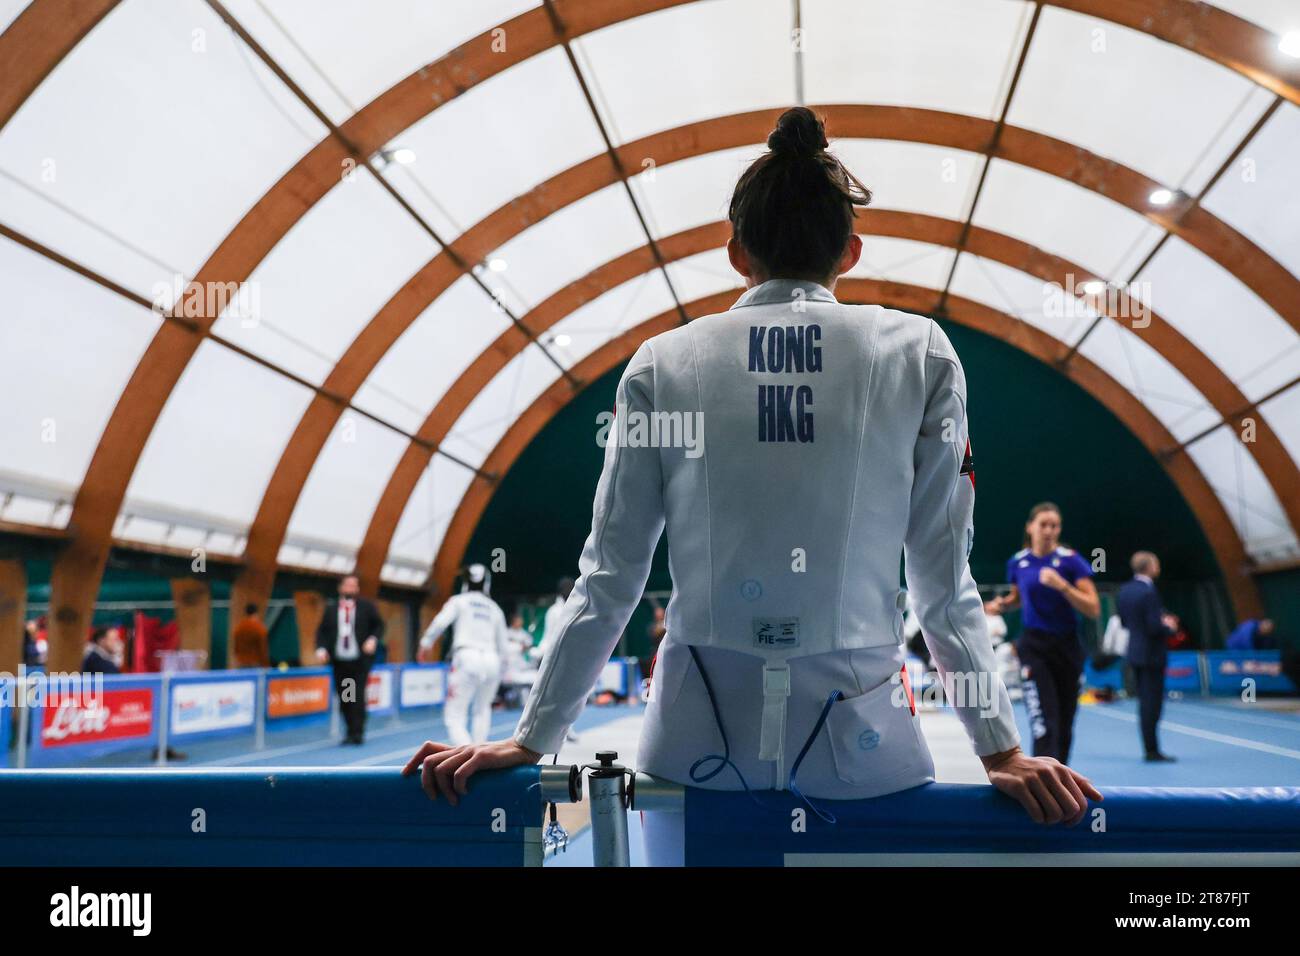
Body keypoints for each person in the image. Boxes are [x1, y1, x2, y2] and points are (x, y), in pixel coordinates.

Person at [404, 108, 1101, 861]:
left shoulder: (663, 364)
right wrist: (1000, 747)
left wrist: (531, 737)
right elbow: (941, 580)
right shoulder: (918, 352)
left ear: (736, 253)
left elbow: (609, 578)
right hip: (865, 756)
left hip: (693, 752)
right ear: (850, 251)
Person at [984, 502, 1100, 764]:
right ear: (1030, 527)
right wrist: (1001, 605)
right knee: (1044, 721)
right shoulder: (1018, 562)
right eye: (1043, 525)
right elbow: (1018, 597)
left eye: (1054, 526)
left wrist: (1063, 587)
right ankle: (1044, 776)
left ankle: (1060, 774)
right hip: (1034, 647)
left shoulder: (1071, 561)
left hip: (1068, 647)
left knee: (1065, 722)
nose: (1049, 530)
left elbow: (1093, 608)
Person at [418, 564, 509, 746]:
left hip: (467, 657)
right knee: (482, 710)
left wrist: (425, 643)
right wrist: (503, 668)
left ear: (466, 582)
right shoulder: (495, 608)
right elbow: (503, 644)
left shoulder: (459, 601)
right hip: (492, 660)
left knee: (454, 715)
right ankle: (479, 750)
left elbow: (440, 623)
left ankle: (466, 754)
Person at [1116, 551, 1178, 762]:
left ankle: (1150, 747)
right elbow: (1153, 626)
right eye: (1156, 564)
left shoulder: (1125, 590)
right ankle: (1152, 749)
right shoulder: (1149, 592)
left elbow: (1124, 622)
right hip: (1151, 655)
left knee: (1145, 701)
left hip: (1135, 652)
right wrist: (1169, 628)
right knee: (1152, 703)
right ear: (1149, 567)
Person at [314, 575, 384, 745]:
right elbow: (322, 631)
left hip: (359, 661)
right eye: (348, 585)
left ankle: (358, 732)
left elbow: (379, 625)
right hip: (340, 661)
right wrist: (321, 649)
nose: (351, 588)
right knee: (346, 697)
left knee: (357, 696)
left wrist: (372, 639)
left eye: (354, 585)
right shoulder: (331, 609)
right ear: (340, 587)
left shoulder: (366, 607)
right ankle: (350, 730)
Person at [531, 577, 575, 664]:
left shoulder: (579, 608)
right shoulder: (553, 611)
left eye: (571, 588)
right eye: (566, 588)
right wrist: (539, 652)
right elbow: (548, 637)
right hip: (557, 658)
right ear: (561, 591)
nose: (569, 591)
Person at [230, 603, 270, 669]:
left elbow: (236, 648)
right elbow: (263, 649)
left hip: (241, 663)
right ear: (256, 613)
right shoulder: (259, 628)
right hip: (255, 663)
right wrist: (266, 665)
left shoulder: (239, 628)